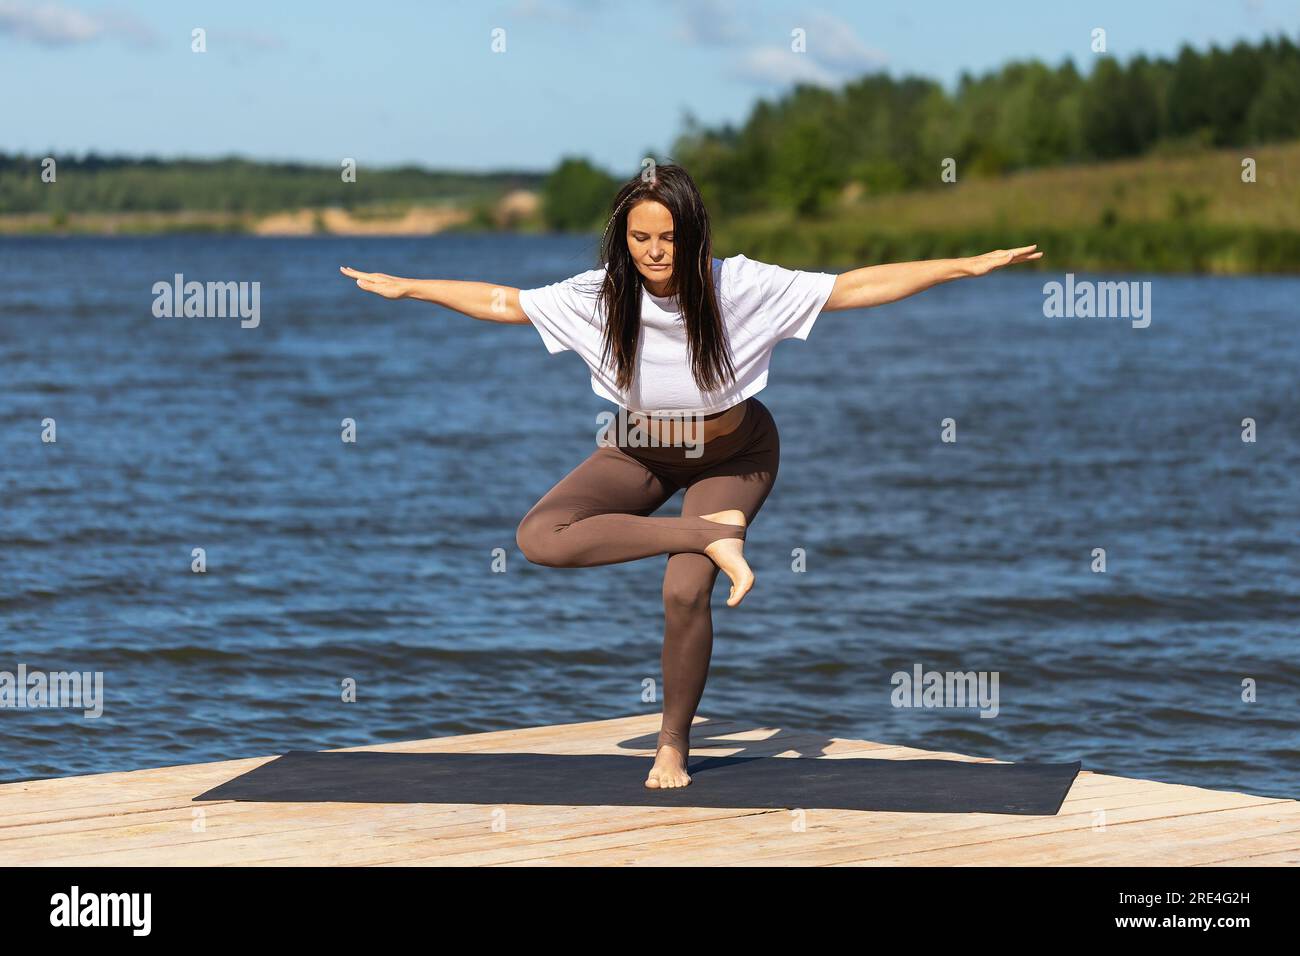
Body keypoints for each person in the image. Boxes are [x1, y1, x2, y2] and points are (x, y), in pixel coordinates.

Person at [340, 163, 1041, 789]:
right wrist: (412, 288)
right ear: (623, 239)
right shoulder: (599, 296)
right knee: (539, 536)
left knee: (683, 589)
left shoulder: (739, 286)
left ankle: (672, 744)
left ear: (694, 234)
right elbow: (503, 303)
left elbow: (852, 288)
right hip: (641, 449)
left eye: (668, 238)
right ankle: (710, 534)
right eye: (640, 237)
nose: (653, 251)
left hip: (736, 454)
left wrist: (962, 267)